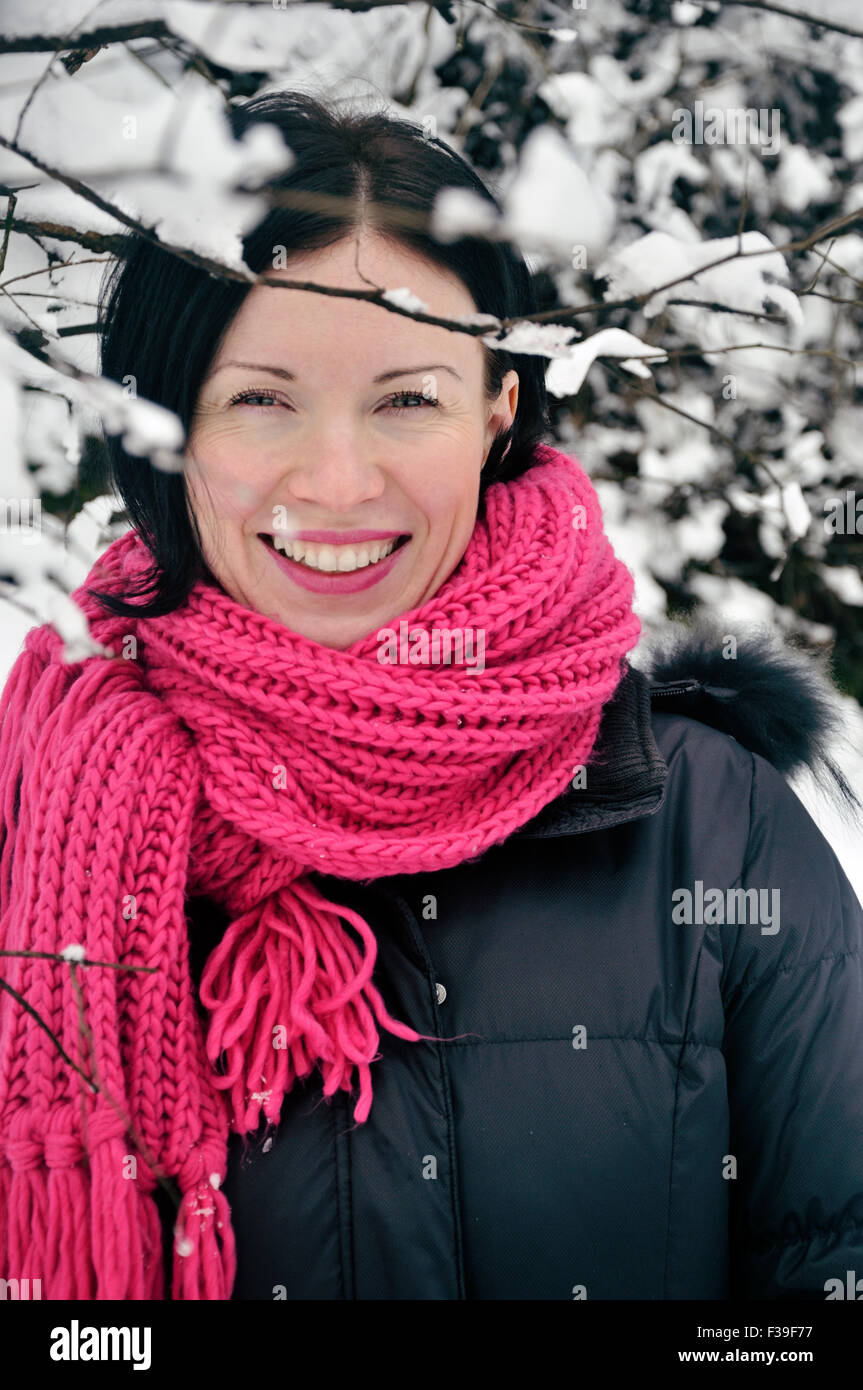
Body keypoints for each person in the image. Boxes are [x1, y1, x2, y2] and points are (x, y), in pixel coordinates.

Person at [1, 90, 862, 1302]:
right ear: (162, 430)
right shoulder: (46, 817)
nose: (339, 480)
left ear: (497, 408)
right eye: (260, 397)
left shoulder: (705, 820)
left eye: (407, 397)